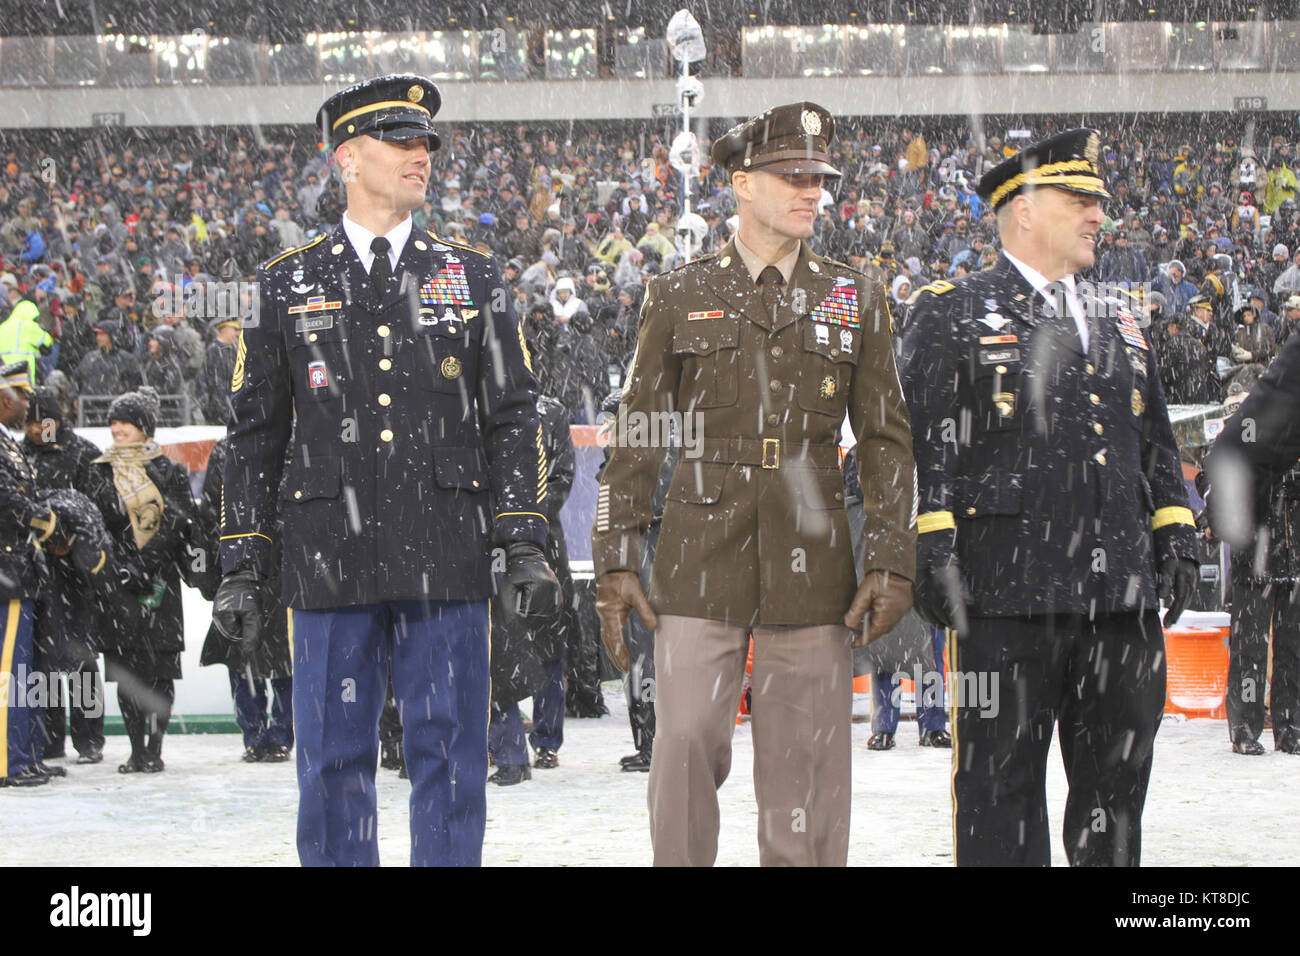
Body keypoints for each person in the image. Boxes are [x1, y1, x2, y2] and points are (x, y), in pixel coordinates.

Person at [213, 74, 558, 868]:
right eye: (400, 142)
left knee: (451, 758)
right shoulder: (284, 281)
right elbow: (253, 435)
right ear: (346, 158)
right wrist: (241, 558)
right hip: (329, 552)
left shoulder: (474, 277)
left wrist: (525, 539)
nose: (421, 156)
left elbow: (516, 416)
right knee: (332, 761)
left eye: (426, 143)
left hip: (447, 547)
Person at [593, 102, 916, 867]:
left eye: (821, 178)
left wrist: (892, 558)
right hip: (699, 556)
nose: (813, 191)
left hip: (813, 558)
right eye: (792, 176)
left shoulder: (855, 296)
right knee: (680, 752)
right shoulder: (677, 293)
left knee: (805, 778)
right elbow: (637, 432)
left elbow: (886, 439)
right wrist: (614, 554)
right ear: (741, 183)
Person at [900, 129, 1199, 867]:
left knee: (1114, 805)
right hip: (1005, 597)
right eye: (1081, 199)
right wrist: (931, 541)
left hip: (1120, 602)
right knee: (1000, 804)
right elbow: (923, 446)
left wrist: (1176, 531)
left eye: (1099, 199)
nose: (1100, 214)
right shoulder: (952, 311)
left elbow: (1155, 441)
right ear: (1024, 209)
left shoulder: (1120, 318)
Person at [86, 386, 198, 774]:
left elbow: (177, 523)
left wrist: (144, 564)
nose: (117, 429)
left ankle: (155, 747)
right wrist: (120, 565)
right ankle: (136, 749)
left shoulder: (168, 471)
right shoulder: (99, 471)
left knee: (160, 671)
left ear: (144, 427)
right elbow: (94, 527)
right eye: (113, 421)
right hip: (118, 585)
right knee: (128, 673)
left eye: (126, 422)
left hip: (159, 585)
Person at [23, 387, 107, 765]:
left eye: (39, 423)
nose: (33, 431)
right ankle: (49, 740)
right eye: (27, 424)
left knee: (82, 659)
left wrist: (72, 543)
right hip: (36, 572)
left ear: (55, 421)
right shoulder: (20, 456)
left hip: (77, 576)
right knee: (44, 661)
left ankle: (89, 740)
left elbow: (99, 512)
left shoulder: (83, 454)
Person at [197, 437, 293, 762]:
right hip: (239, 566)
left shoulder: (294, 442)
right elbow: (210, 512)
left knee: (285, 658)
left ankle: (282, 733)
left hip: (283, 568)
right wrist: (217, 571)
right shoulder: (227, 449)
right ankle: (254, 733)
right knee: (242, 655)